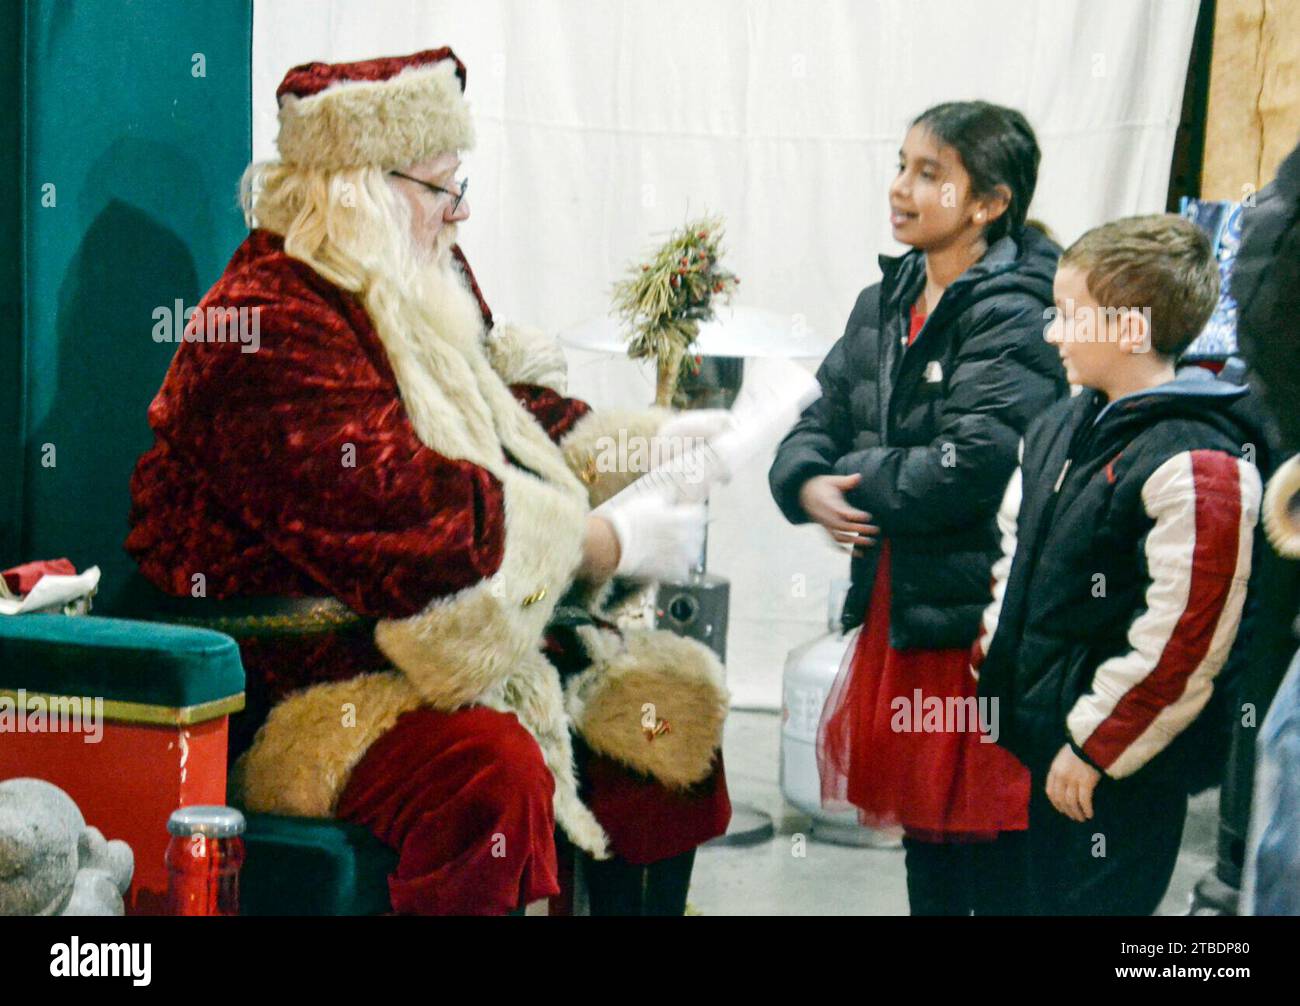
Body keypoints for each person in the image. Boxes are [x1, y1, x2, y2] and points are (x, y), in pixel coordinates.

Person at [125, 47, 732, 916]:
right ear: (360, 188)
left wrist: (636, 450)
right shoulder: (259, 323)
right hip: (307, 682)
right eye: (444, 188)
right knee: (489, 771)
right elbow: (405, 513)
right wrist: (595, 541)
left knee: (664, 724)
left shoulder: (408, 277)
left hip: (431, 646)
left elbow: (504, 414)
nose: (463, 211)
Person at [769, 101, 1066, 915]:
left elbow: (972, 466)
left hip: (974, 617)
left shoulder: (1018, 307)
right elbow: (820, 416)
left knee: (989, 840)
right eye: (900, 165)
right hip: (904, 603)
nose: (900, 188)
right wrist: (803, 483)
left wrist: (852, 476)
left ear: (989, 204)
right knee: (927, 837)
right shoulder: (886, 297)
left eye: (929, 174)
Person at [973, 214, 1265, 915]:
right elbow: (1013, 559)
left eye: (1070, 316)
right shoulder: (1060, 427)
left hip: (1119, 769)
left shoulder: (1199, 461)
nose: (1052, 333)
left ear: (1130, 330)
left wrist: (1097, 747)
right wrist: (994, 661)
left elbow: (1184, 639)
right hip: (1047, 748)